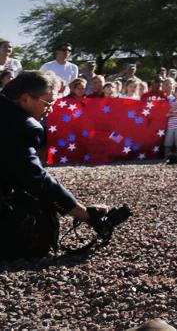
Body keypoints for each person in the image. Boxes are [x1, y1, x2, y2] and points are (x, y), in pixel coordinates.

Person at [0, 72, 109, 259]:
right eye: (48, 102)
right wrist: (81, 212)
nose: (51, 109)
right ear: (26, 99)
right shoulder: (23, 126)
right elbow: (35, 178)